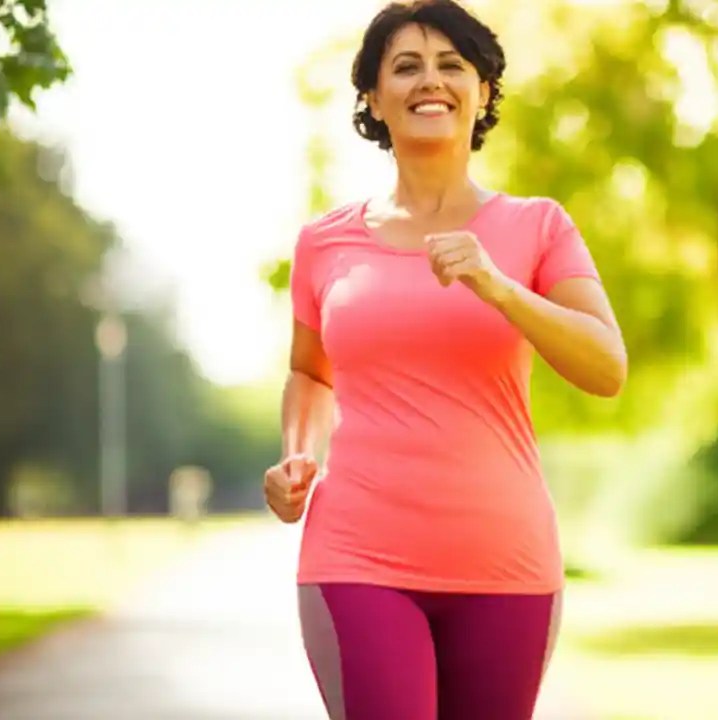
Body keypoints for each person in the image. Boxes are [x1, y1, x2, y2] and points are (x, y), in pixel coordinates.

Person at [263, 1, 627, 718]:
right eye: (405, 66)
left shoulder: (538, 227)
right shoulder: (324, 242)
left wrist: (498, 287)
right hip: (357, 557)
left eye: (451, 65)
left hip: (506, 564)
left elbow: (605, 367)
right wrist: (296, 456)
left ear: (483, 90)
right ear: (372, 96)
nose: (430, 80)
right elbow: (310, 373)